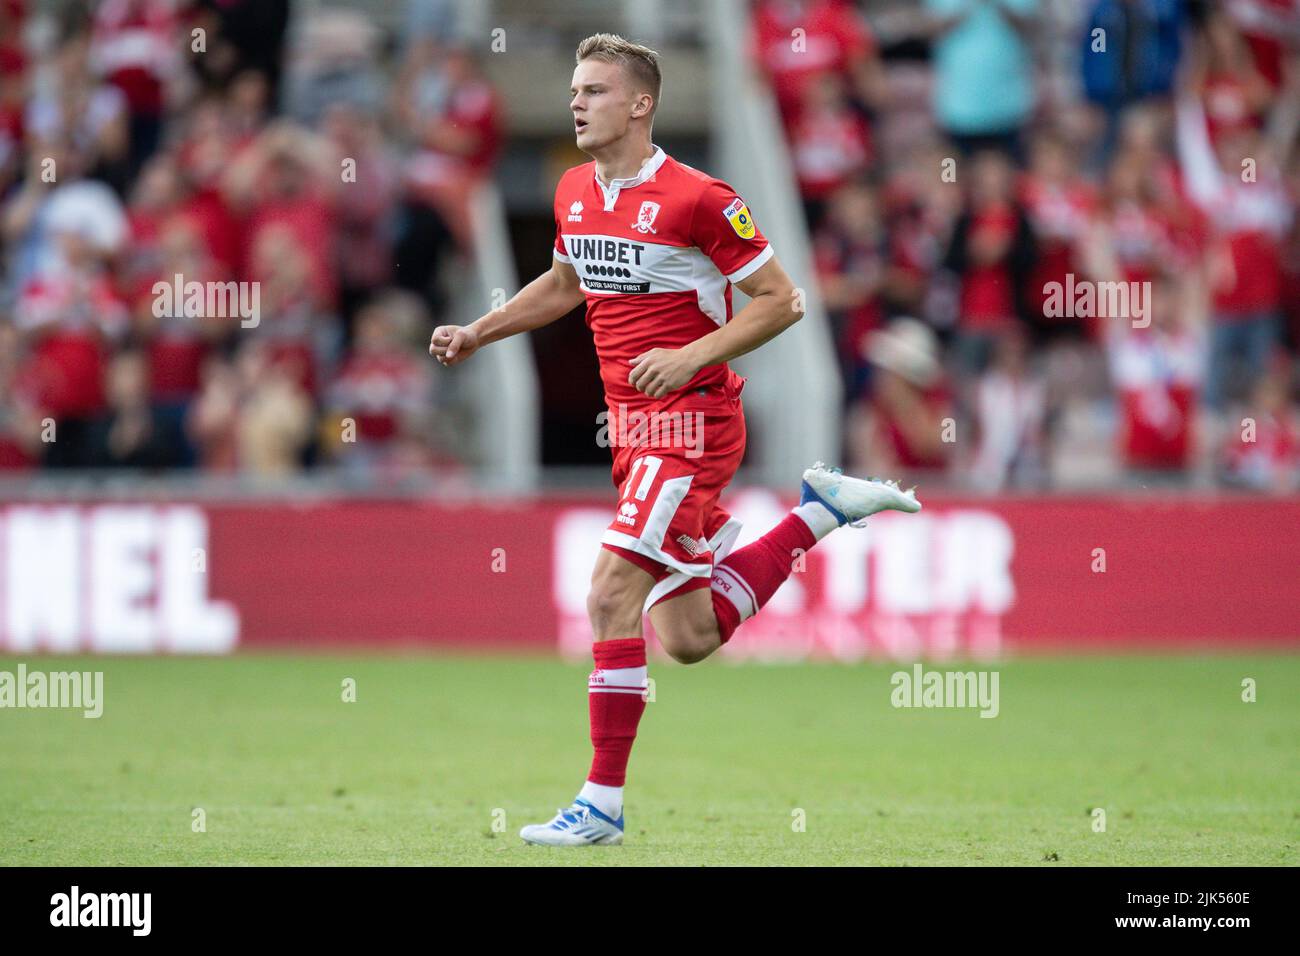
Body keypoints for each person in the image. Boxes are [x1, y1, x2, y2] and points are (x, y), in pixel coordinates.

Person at [428, 34, 921, 847]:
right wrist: (480, 332)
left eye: (593, 90)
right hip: (633, 431)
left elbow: (782, 300)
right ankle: (819, 513)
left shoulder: (699, 199)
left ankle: (600, 805)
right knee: (687, 637)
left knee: (607, 594)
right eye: (575, 90)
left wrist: (690, 354)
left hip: (689, 424)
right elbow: (562, 284)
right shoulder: (573, 190)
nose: (577, 103)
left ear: (640, 104)